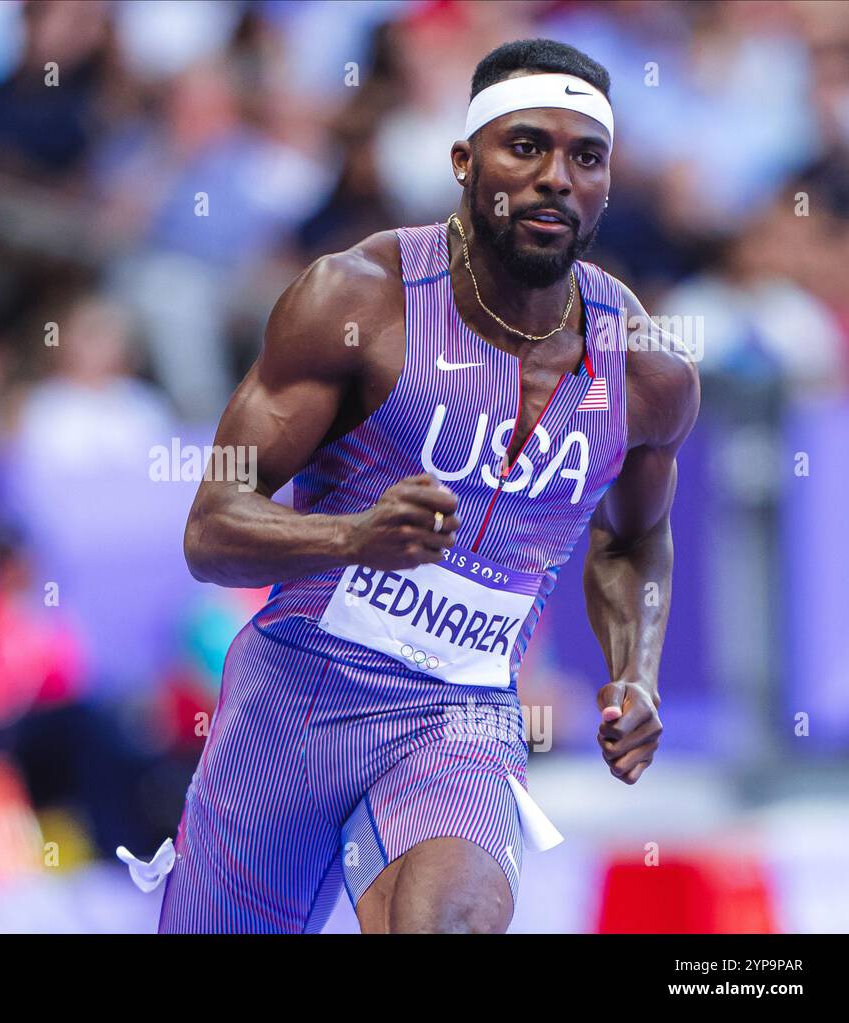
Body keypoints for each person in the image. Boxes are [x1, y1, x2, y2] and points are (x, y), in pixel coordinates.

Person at [156, 38, 700, 934]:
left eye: (585, 157)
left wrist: (635, 673)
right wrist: (350, 536)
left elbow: (635, 536)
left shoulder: (646, 371)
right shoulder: (353, 299)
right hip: (294, 703)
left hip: (465, 716)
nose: (556, 177)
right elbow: (211, 524)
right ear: (463, 161)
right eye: (526, 146)